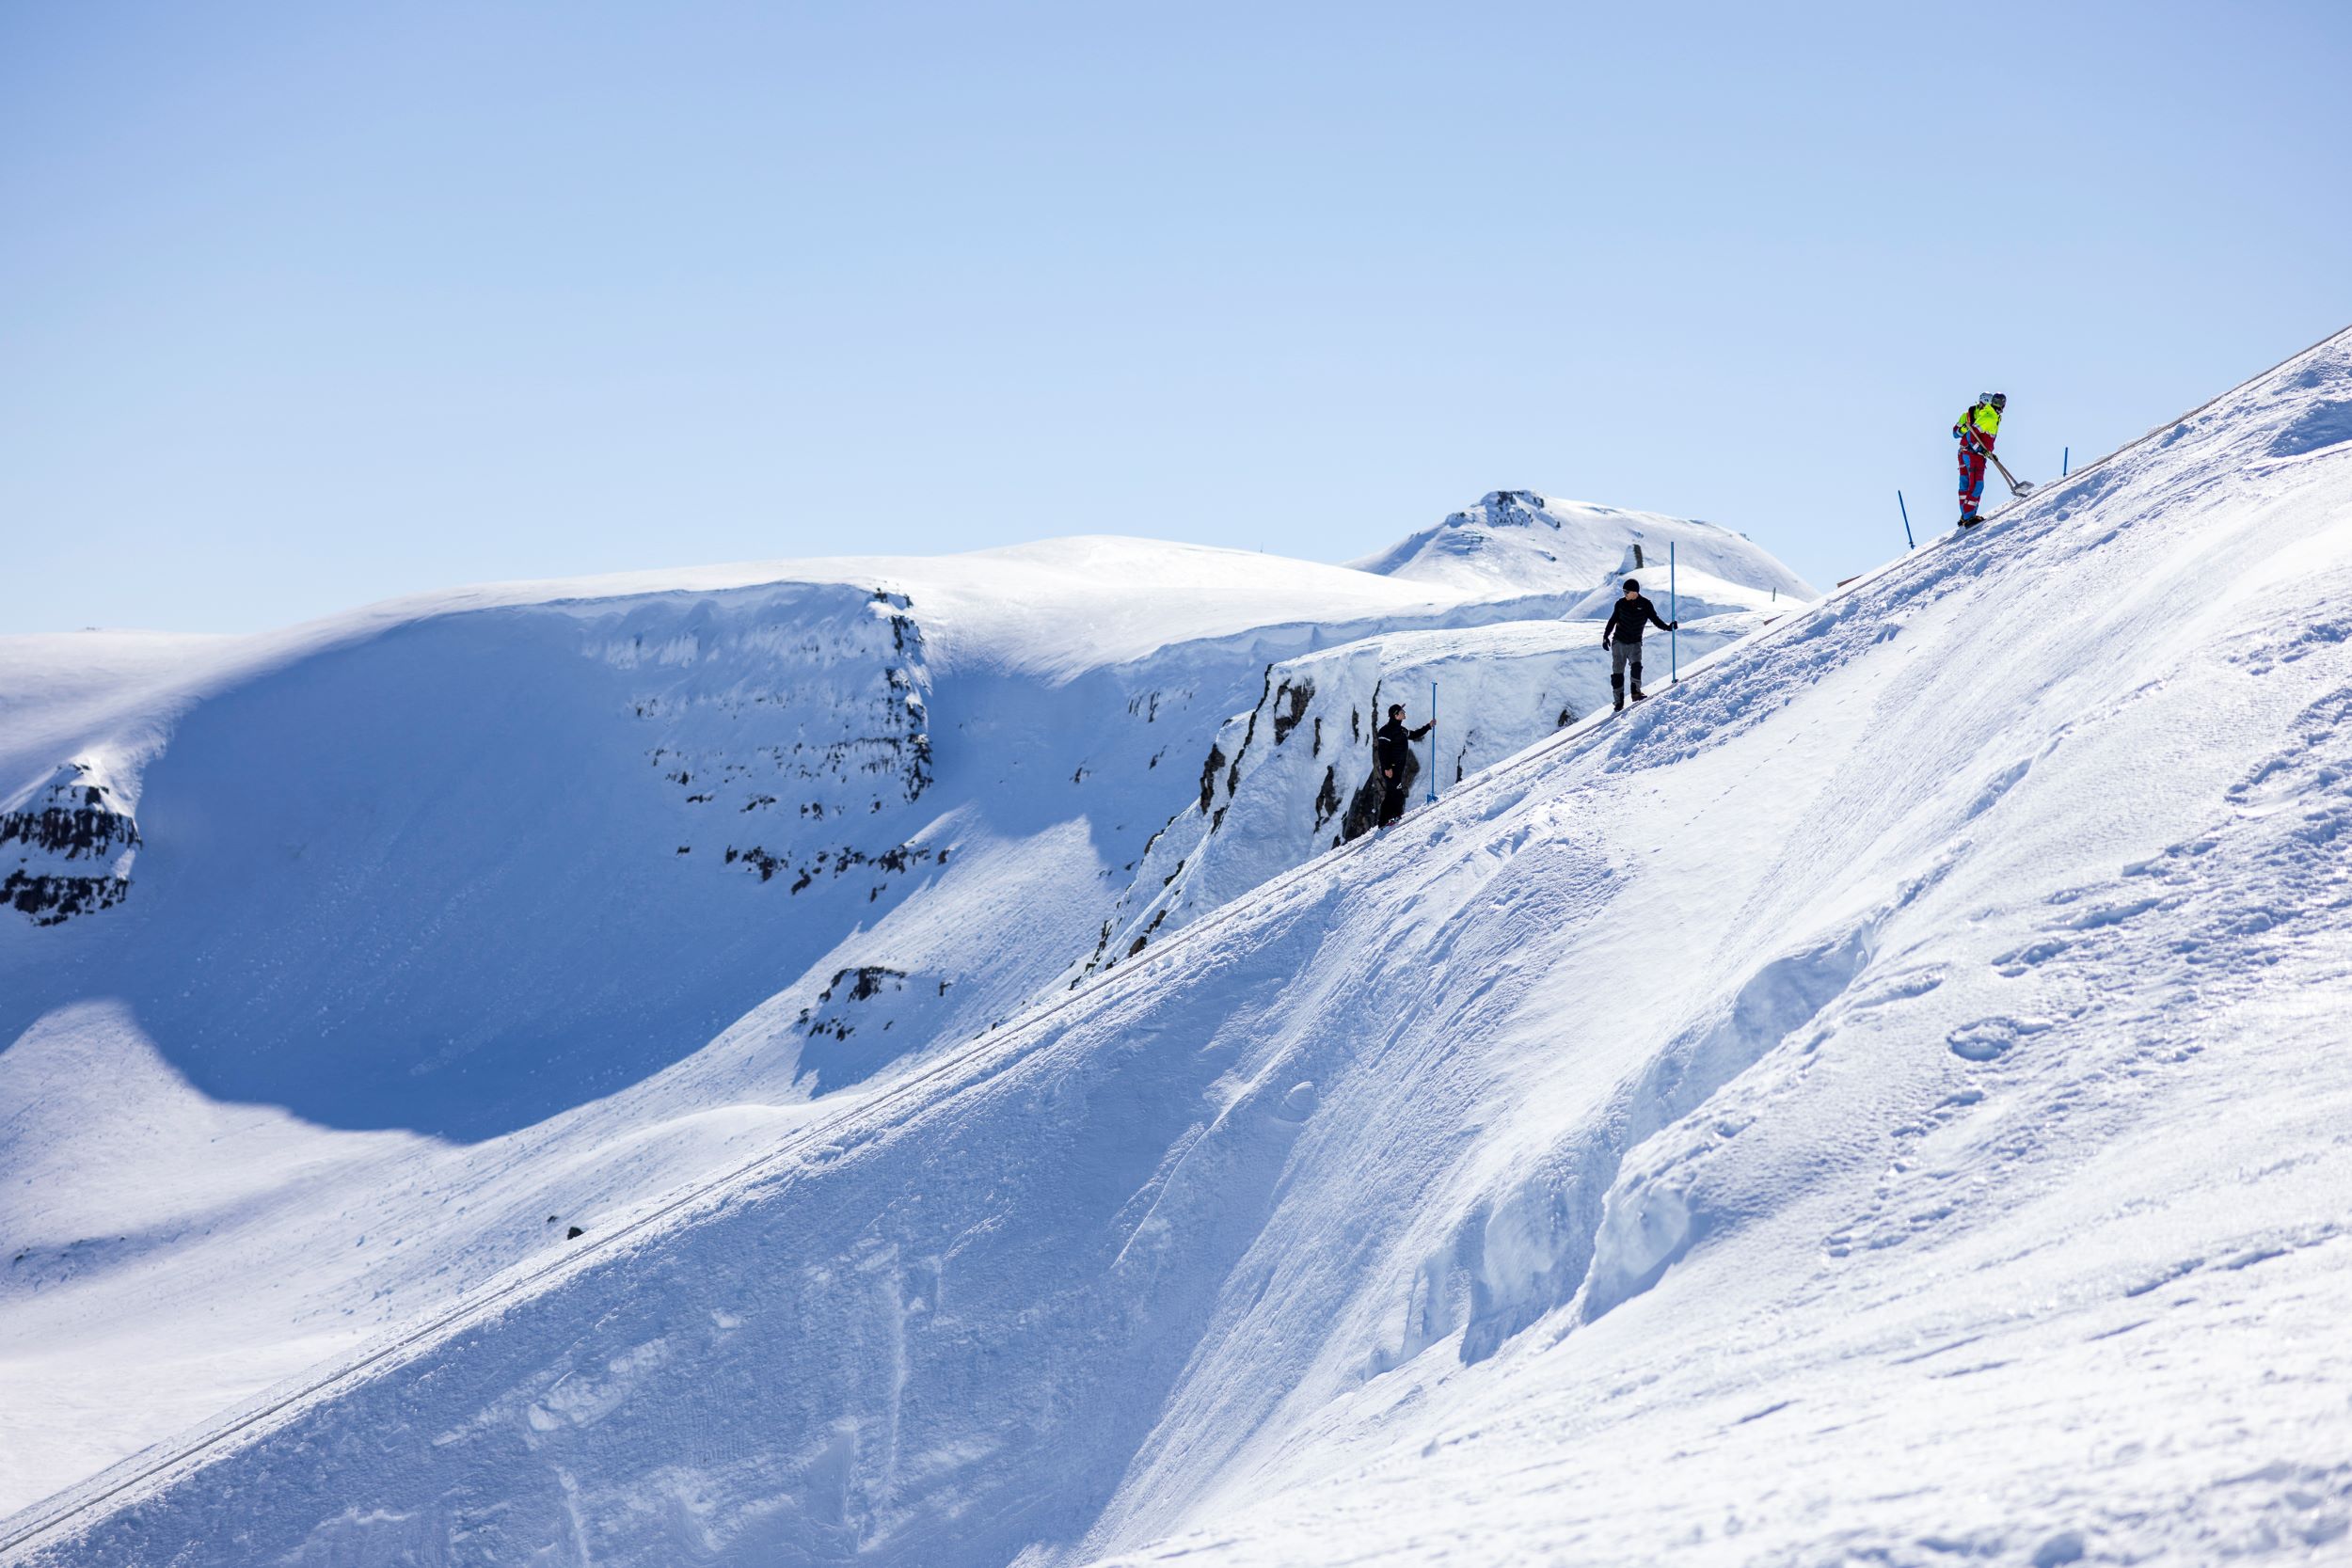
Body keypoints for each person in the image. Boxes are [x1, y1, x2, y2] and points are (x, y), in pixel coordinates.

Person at [1601, 578, 1677, 710]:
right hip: (1619, 642)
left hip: (1635, 643)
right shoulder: (1620, 603)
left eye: (1626, 591)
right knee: (1617, 673)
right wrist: (1605, 636)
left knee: (1636, 667)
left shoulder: (1646, 604)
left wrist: (1668, 627)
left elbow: (1655, 620)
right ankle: (1618, 701)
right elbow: (1612, 620)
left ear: (1634, 592)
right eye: (1624, 591)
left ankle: (1636, 693)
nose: (1624, 594)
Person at [1373, 702, 1432, 828]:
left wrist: (1428, 726)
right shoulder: (1385, 731)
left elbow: (1414, 734)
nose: (1404, 713)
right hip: (1390, 769)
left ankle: (1384, 822)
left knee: (1391, 793)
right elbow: (1382, 751)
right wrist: (1387, 768)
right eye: (1401, 712)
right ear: (1396, 715)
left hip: (1397, 769)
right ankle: (1394, 817)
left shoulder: (1402, 730)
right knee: (1397, 794)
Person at [1953, 391, 2006, 526]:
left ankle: (1965, 515)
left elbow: (1983, 439)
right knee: (1976, 484)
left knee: (1966, 485)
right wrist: (1980, 450)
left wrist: (1988, 452)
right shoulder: (1988, 416)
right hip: (1972, 454)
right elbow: (1965, 434)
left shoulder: (1992, 416)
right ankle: (1968, 517)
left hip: (1969, 452)